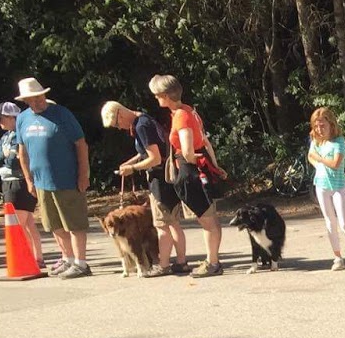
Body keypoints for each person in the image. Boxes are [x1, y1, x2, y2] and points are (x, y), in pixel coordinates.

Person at [13, 78, 91, 279]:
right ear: (26, 100)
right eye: (32, 98)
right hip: (41, 181)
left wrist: (84, 174)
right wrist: (29, 179)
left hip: (66, 179)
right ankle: (68, 259)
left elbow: (81, 144)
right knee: (53, 224)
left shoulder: (62, 114)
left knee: (74, 222)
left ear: (44, 94)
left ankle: (81, 263)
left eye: (39, 96)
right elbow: (23, 151)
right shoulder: (23, 119)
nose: (37, 101)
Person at [148, 74, 225, 277]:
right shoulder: (189, 110)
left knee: (206, 220)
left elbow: (188, 149)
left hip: (190, 169)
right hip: (202, 166)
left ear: (165, 95)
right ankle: (213, 260)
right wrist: (215, 165)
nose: (156, 99)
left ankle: (213, 263)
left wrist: (190, 161)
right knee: (210, 218)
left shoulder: (181, 116)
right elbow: (206, 141)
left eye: (157, 95)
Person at [102, 100, 187, 277]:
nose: (119, 127)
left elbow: (155, 158)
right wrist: (130, 162)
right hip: (166, 177)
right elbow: (146, 152)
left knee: (163, 224)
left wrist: (133, 169)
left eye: (117, 123)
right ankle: (180, 262)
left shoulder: (141, 126)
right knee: (172, 223)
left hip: (160, 179)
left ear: (120, 113)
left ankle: (164, 265)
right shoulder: (143, 119)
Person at [307, 107, 345, 271]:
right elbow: (310, 156)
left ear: (331, 124)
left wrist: (319, 159)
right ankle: (338, 257)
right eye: (317, 126)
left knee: (344, 223)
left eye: (323, 125)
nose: (320, 129)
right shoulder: (315, 139)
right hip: (321, 185)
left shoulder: (338, 141)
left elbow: (335, 164)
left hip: (337, 186)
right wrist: (318, 165)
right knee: (329, 222)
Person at [0, 101, 42, 270]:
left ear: (13, 118)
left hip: (18, 184)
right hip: (8, 183)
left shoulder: (20, 135)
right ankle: (37, 257)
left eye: (1, 118)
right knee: (28, 223)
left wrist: (6, 158)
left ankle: (28, 258)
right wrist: (4, 157)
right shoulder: (5, 137)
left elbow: (13, 162)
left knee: (18, 224)